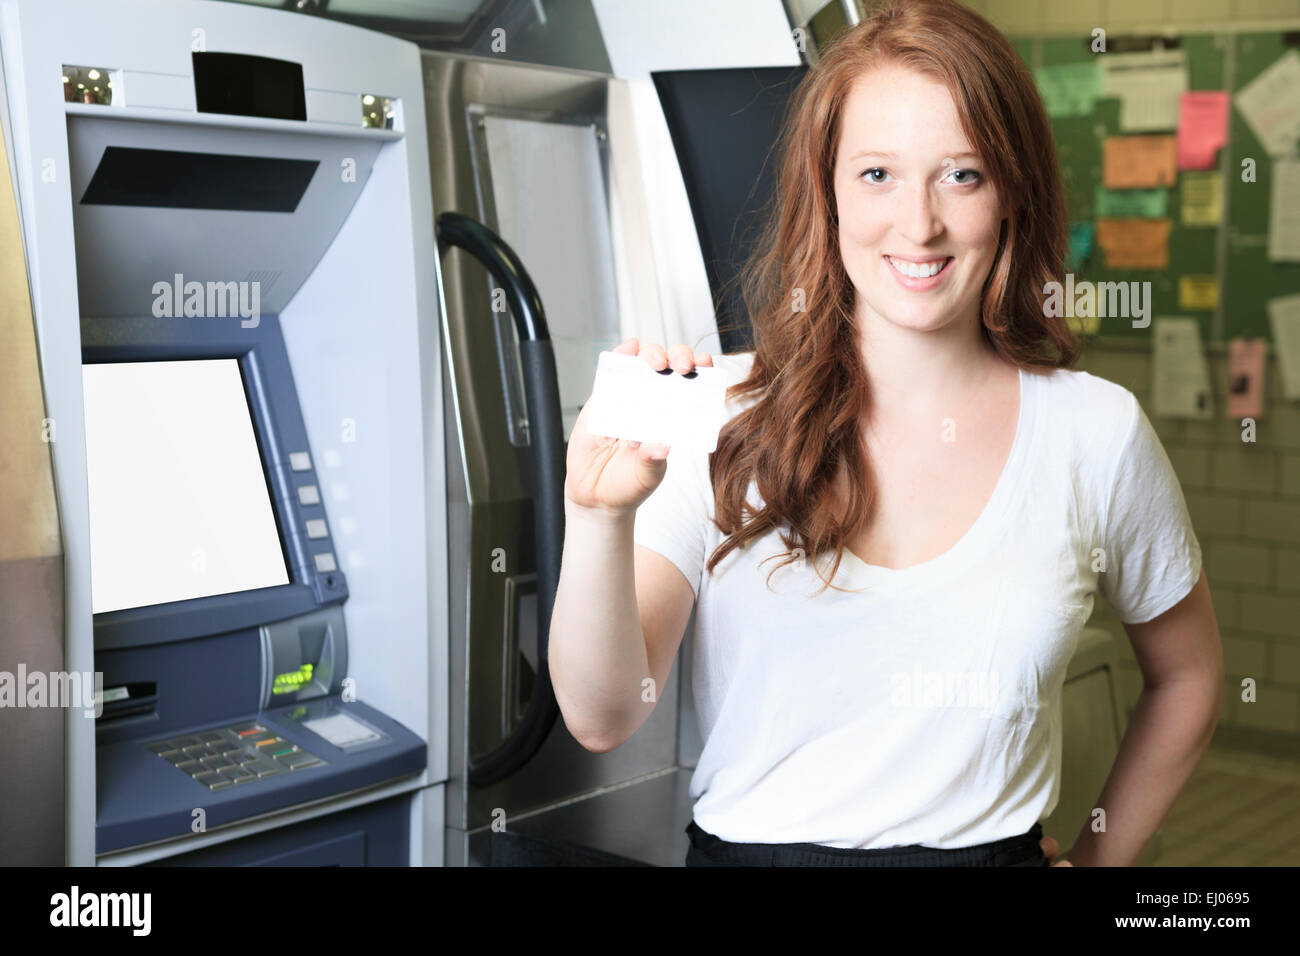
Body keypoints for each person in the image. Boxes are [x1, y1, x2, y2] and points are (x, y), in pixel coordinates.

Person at [549, 0, 1222, 867]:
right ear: (824, 190)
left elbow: (1191, 677)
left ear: (1013, 192)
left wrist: (1099, 861)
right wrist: (598, 520)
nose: (918, 224)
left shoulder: (1094, 431)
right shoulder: (720, 414)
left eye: (962, 175)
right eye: (877, 174)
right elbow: (604, 716)